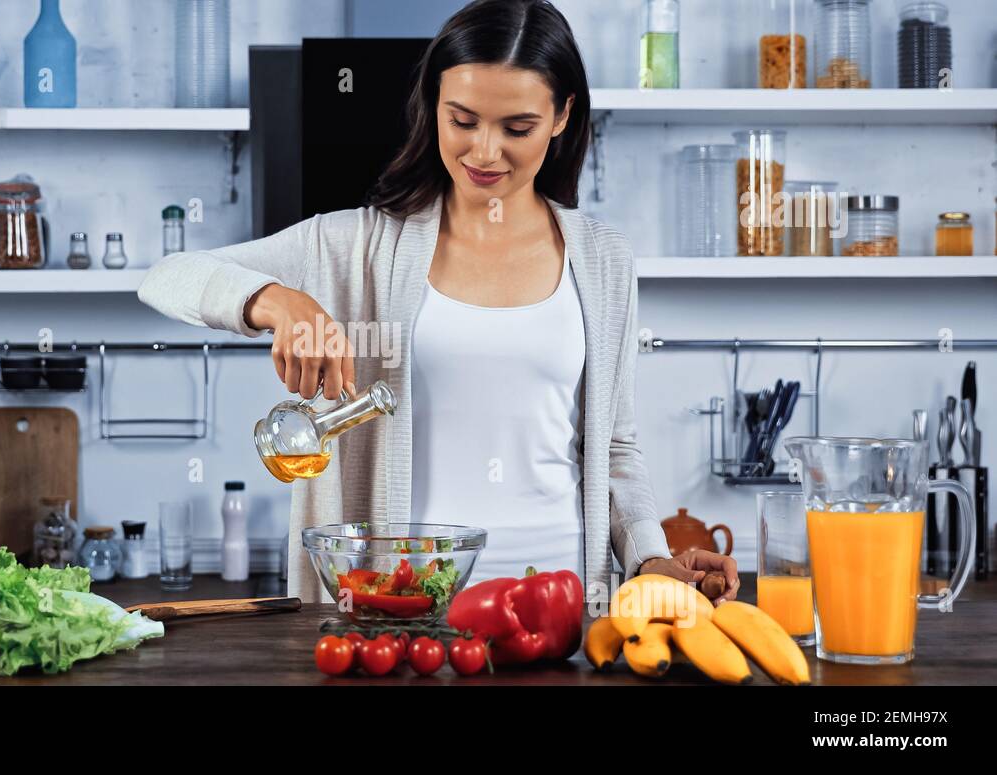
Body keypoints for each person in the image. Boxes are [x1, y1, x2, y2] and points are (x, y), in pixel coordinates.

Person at [140, 0, 738, 604]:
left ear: (561, 117)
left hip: (563, 605)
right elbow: (167, 275)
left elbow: (614, 450)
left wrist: (649, 555)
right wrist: (276, 300)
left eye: (517, 128)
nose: (484, 152)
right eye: (463, 119)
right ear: (433, 107)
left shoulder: (605, 257)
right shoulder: (354, 244)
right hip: (401, 605)